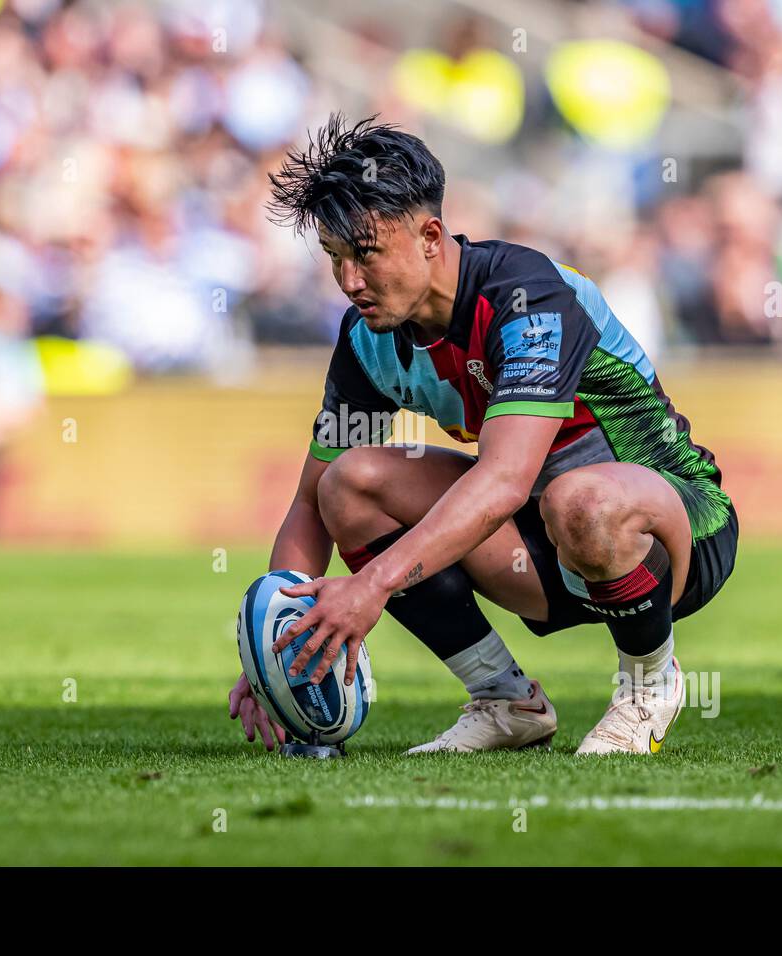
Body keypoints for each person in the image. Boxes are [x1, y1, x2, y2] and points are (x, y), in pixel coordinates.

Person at [228, 115, 738, 755]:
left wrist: (371, 586)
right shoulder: (367, 342)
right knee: (347, 485)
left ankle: (648, 685)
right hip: (542, 547)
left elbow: (503, 482)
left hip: (676, 529)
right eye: (335, 259)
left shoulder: (528, 296)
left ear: (431, 236)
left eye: (366, 253)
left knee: (580, 500)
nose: (350, 281)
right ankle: (505, 701)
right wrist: (282, 645)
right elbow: (308, 504)